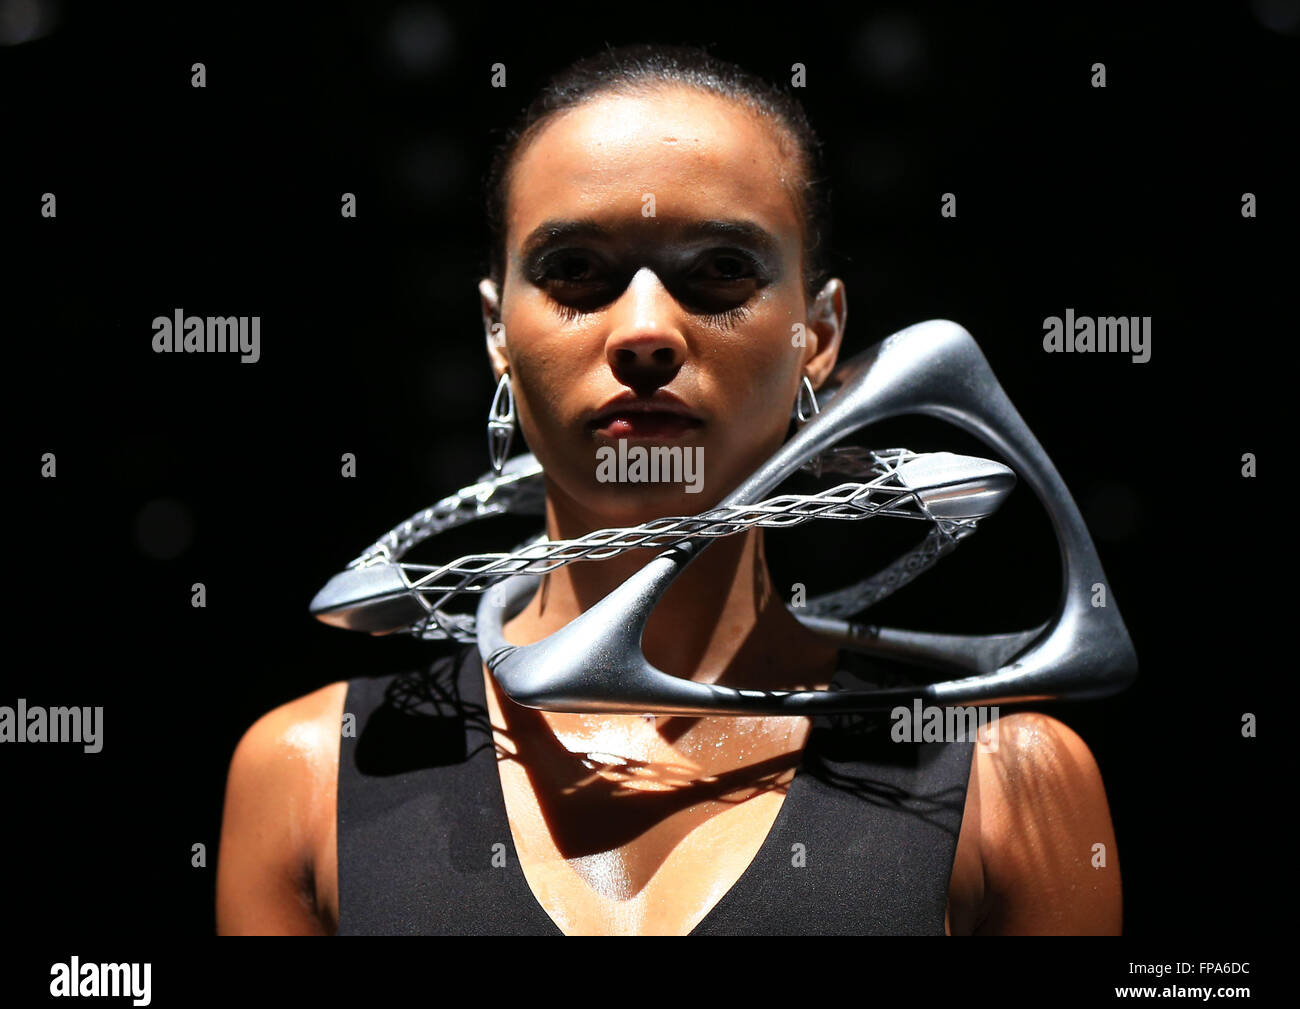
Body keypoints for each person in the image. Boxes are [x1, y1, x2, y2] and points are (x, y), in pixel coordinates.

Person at [215, 43, 1121, 936]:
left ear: (819, 333)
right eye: (575, 270)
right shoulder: (309, 776)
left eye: (721, 269)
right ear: (497, 332)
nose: (645, 332)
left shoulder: (1013, 786)